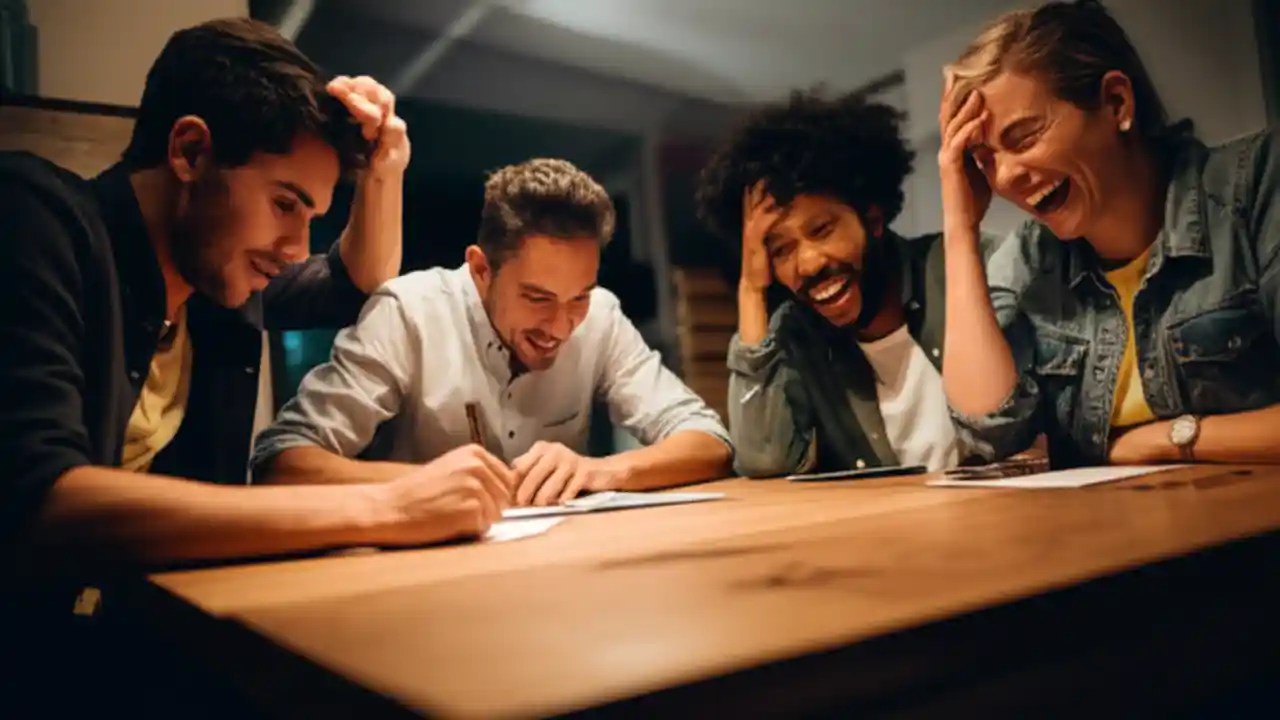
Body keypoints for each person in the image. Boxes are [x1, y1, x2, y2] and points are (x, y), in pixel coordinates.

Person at [0, 17, 525, 574]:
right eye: (284, 204)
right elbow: (40, 499)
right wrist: (385, 505)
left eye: (312, 217)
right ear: (191, 151)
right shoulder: (33, 217)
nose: (297, 249)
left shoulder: (215, 287)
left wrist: (383, 173)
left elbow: (358, 284)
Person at [252, 158, 733, 506]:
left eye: (579, 296)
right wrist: (418, 487)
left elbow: (709, 440)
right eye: (538, 298)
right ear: (481, 270)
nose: (562, 326)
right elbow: (281, 462)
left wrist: (600, 470)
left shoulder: (602, 318)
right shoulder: (409, 312)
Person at [939, 0, 1280, 467]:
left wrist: (1170, 440)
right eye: (984, 159)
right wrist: (960, 226)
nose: (1004, 178)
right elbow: (991, 434)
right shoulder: (1030, 259)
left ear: (1116, 103)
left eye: (1024, 137)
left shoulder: (1257, 186)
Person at [697, 91, 995, 477]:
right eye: (781, 249)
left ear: (872, 216)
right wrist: (752, 290)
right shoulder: (796, 334)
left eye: (821, 230)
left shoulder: (968, 268)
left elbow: (1013, 433)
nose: (808, 263)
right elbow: (764, 460)